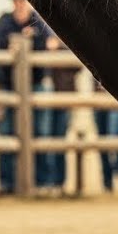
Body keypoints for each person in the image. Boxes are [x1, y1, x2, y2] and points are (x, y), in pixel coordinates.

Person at [0, 0, 51, 195]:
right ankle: (6, 183)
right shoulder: (5, 21)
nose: (20, 4)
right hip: (8, 85)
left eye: (23, 1)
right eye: (17, 1)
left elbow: (45, 48)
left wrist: (24, 43)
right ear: (13, 2)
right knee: (6, 133)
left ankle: (41, 183)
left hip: (36, 84)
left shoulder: (37, 21)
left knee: (40, 134)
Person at [36, 34, 77, 195]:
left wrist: (58, 47)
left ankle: (59, 181)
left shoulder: (67, 33)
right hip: (44, 95)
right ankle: (45, 180)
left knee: (60, 138)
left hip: (63, 94)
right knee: (43, 137)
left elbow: (79, 64)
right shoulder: (40, 31)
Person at [92, 79, 118, 193]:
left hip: (115, 97)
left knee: (113, 141)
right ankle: (108, 183)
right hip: (97, 97)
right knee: (103, 142)